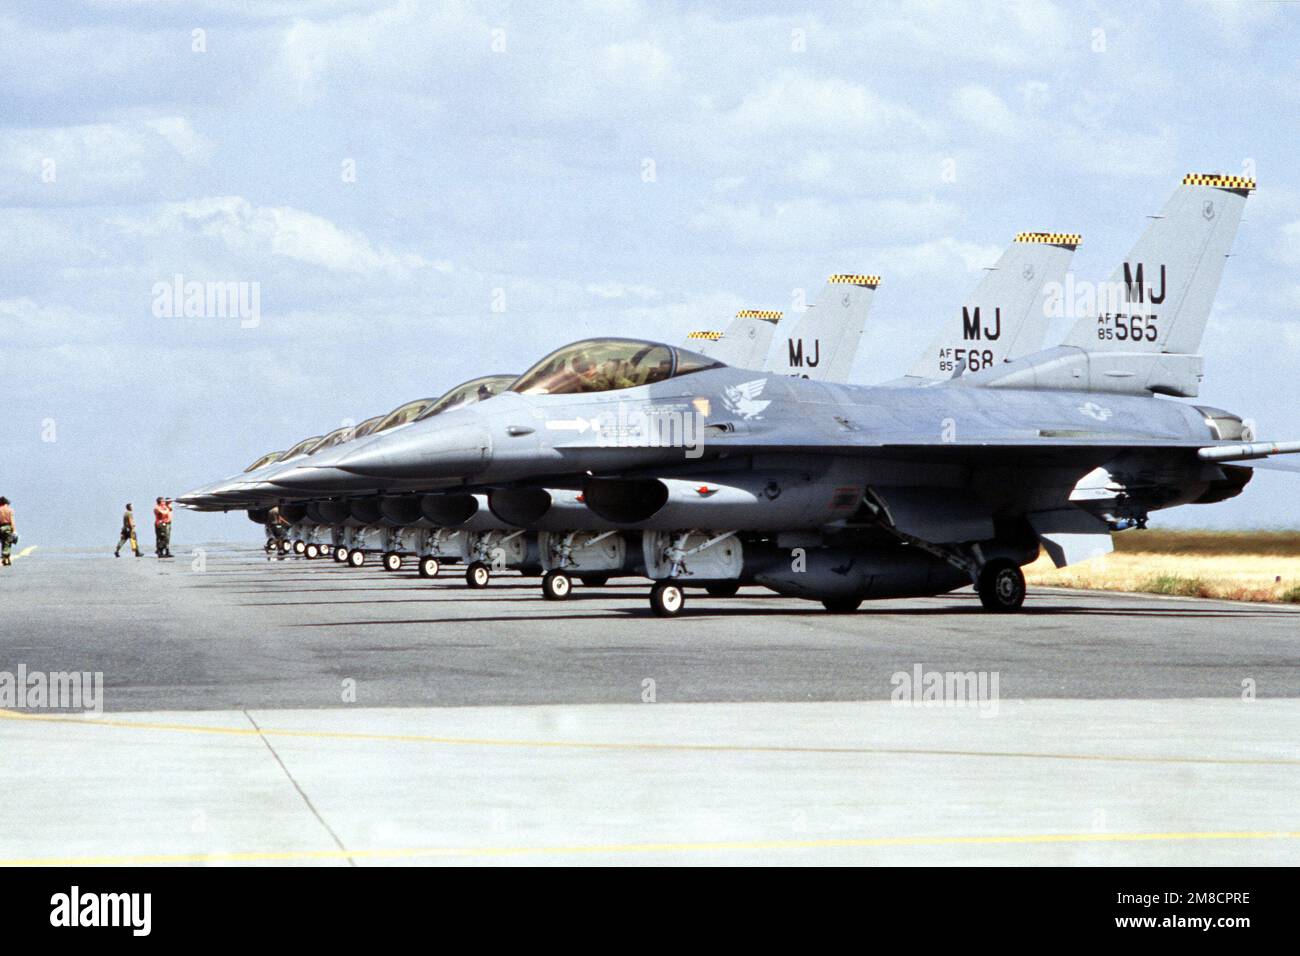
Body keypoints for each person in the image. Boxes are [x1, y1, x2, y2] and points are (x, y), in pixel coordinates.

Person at [0, 497, 15, 567]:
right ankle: (5, 556)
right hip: (8, 527)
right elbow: (12, 521)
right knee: (7, 543)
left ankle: (6, 558)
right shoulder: (10, 510)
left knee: (3, 542)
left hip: (0, 527)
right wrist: (14, 530)